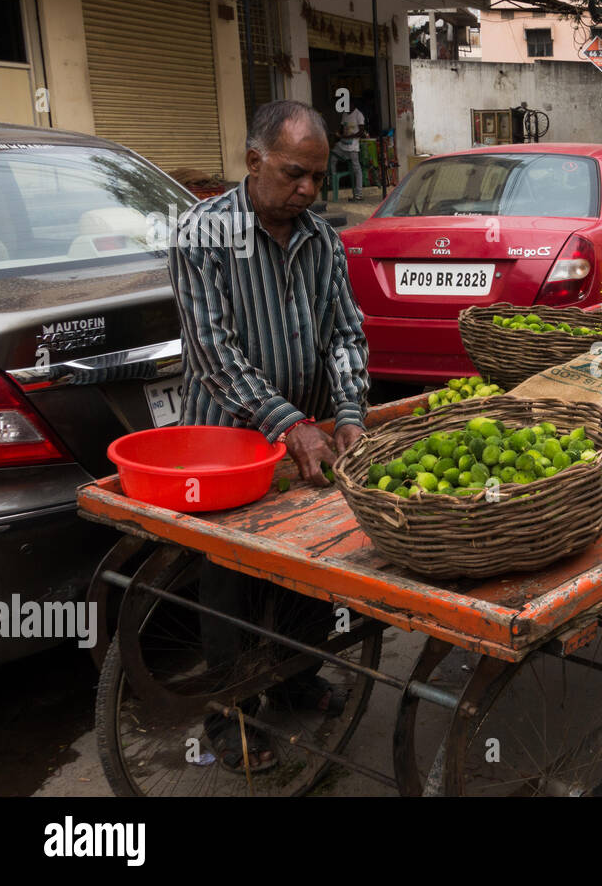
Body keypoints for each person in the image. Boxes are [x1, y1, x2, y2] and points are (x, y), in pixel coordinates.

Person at [169, 99, 371, 773]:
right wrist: (287, 423)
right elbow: (212, 353)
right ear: (253, 161)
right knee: (230, 577)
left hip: (310, 437)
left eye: (317, 175)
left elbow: (344, 332)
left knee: (310, 567)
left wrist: (346, 413)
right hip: (227, 442)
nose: (309, 189)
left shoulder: (321, 238)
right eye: (293, 173)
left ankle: (297, 678)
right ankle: (230, 716)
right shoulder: (202, 235)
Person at [332, 103, 366, 201]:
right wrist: (338, 134)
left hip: (353, 147)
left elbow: (361, 132)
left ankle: (358, 194)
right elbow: (342, 128)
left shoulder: (358, 115)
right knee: (333, 156)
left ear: (352, 104)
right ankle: (333, 177)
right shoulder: (345, 114)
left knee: (357, 169)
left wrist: (346, 137)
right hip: (342, 145)